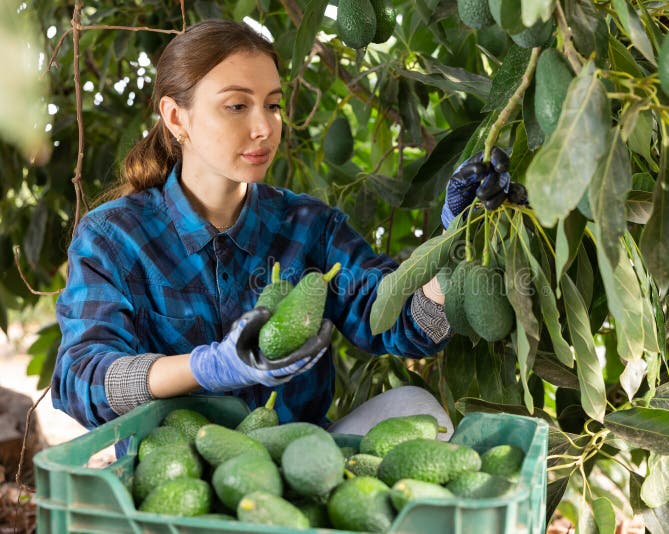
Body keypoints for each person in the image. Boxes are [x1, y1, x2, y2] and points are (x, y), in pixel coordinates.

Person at [52, 19, 514, 451]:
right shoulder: (114, 237)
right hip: (175, 473)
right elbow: (82, 380)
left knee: (415, 408)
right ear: (176, 118)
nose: (264, 127)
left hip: (298, 468)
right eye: (236, 105)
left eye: (272, 105)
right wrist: (207, 368)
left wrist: (459, 238)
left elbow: (402, 324)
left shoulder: (308, 226)